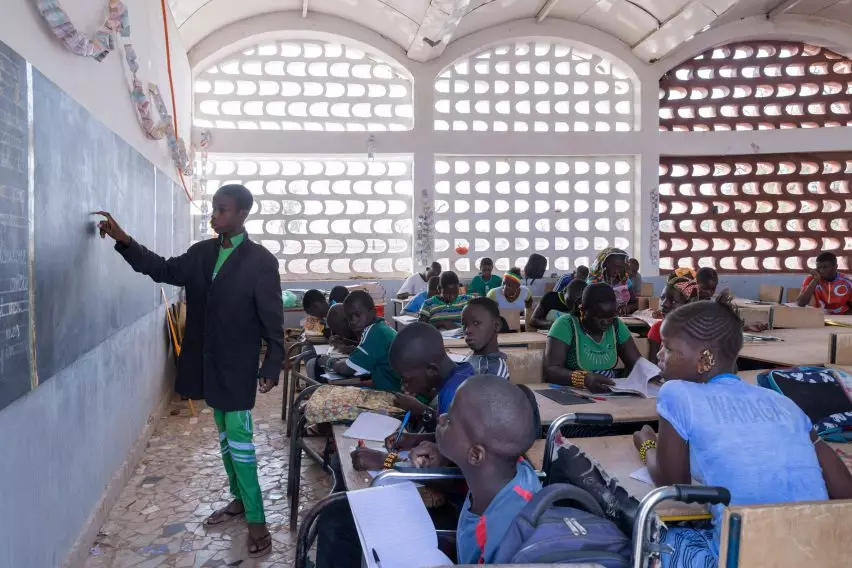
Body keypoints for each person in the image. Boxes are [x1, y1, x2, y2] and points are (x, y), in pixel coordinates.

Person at [95, 184, 283, 558]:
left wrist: (272, 363)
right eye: (214, 209)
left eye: (223, 210)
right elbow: (163, 269)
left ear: (243, 214)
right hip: (206, 362)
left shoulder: (261, 261)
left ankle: (257, 519)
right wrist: (124, 240)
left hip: (238, 365)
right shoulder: (201, 253)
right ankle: (238, 501)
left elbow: (272, 320)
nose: (215, 216)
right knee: (226, 439)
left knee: (241, 442)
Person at [633, 294, 852, 568]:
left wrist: (645, 444)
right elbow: (845, 491)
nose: (659, 355)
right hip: (824, 553)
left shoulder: (676, 393)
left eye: (668, 347)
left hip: (741, 557)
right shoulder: (783, 403)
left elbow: (674, 485)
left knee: (652, 535)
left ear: (705, 357)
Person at [314, 324, 477, 568]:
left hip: (452, 509)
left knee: (337, 518)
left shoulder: (457, 398)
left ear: (431, 370)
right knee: (342, 492)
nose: (404, 386)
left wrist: (386, 463)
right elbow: (450, 445)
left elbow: (451, 475)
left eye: (407, 379)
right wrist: (414, 439)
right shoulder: (462, 377)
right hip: (445, 492)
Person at [407, 376, 541, 564]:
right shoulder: (508, 466)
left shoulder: (501, 537)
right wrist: (448, 453)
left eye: (450, 420)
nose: (441, 417)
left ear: (476, 455)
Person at [544, 283, 642, 392]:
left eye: (611, 316)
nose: (607, 322)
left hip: (608, 391)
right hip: (573, 392)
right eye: (600, 317)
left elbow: (637, 364)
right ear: (583, 310)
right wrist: (584, 379)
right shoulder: (566, 325)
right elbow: (551, 371)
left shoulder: (616, 326)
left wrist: (654, 374)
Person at [330, 291, 400, 392]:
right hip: (392, 386)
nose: (353, 320)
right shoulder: (381, 325)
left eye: (357, 315)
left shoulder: (374, 332)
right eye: (349, 317)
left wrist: (328, 362)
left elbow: (346, 369)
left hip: (394, 393)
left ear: (373, 311)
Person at [647, 277, 701, 365]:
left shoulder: (700, 332)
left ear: (689, 305)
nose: (664, 304)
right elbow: (652, 367)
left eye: (673, 301)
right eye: (662, 297)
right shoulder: (657, 328)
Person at [462, 298, 509, 379]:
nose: (467, 330)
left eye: (476, 323)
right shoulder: (468, 359)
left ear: (496, 325)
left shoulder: (495, 370)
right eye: (464, 325)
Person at [588, 247, 636, 314]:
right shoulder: (594, 283)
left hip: (623, 320)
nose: (616, 271)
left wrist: (628, 308)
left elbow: (634, 303)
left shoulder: (625, 281)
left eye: (620, 267)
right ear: (604, 264)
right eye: (613, 266)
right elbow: (588, 306)